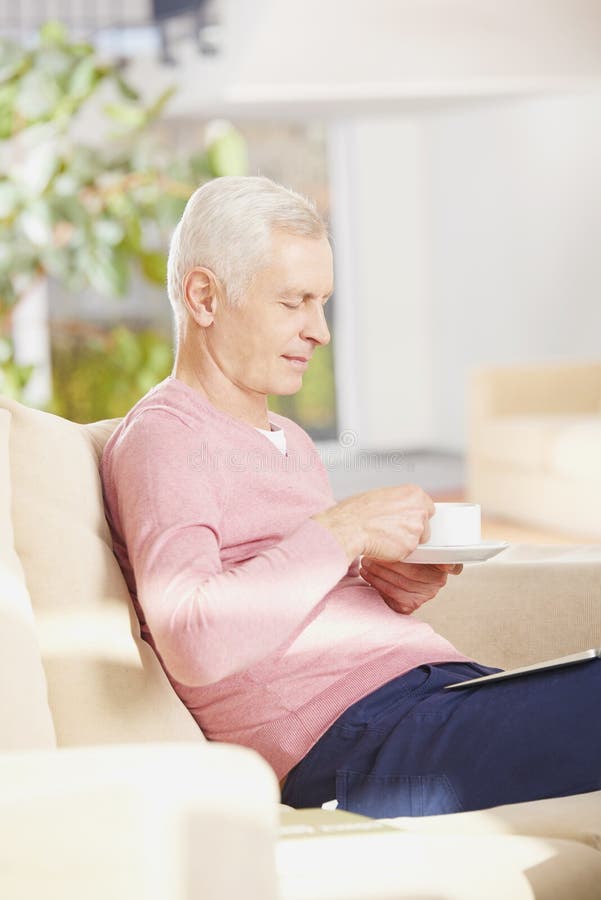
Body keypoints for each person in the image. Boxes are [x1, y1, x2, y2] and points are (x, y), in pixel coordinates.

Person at [101, 175, 601, 819]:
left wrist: (386, 581)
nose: (320, 331)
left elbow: (293, 584)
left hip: (434, 697)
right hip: (353, 742)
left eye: (323, 302)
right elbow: (193, 636)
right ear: (204, 296)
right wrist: (342, 533)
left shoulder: (291, 441)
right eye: (294, 301)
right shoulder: (165, 437)